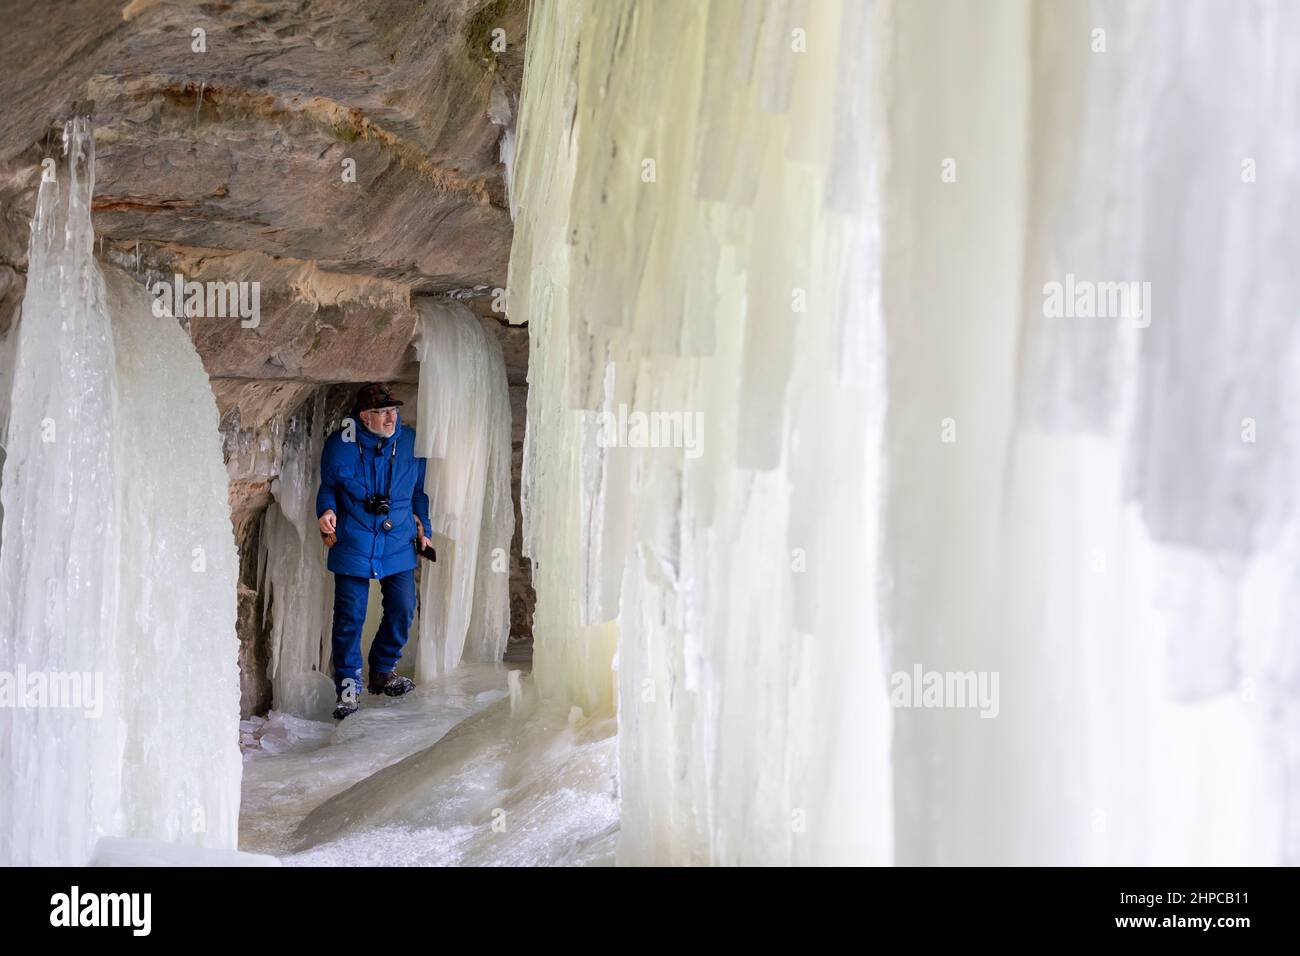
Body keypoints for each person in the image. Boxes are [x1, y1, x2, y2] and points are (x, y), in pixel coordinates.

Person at [316, 382, 433, 720]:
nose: (390, 418)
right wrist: (325, 512)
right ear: (364, 416)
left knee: (403, 606)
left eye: (393, 411)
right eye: (382, 413)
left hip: (397, 541)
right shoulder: (341, 445)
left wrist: (424, 528)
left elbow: (418, 492)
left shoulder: (410, 442)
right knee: (350, 617)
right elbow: (329, 488)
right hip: (354, 540)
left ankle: (383, 670)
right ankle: (348, 689)